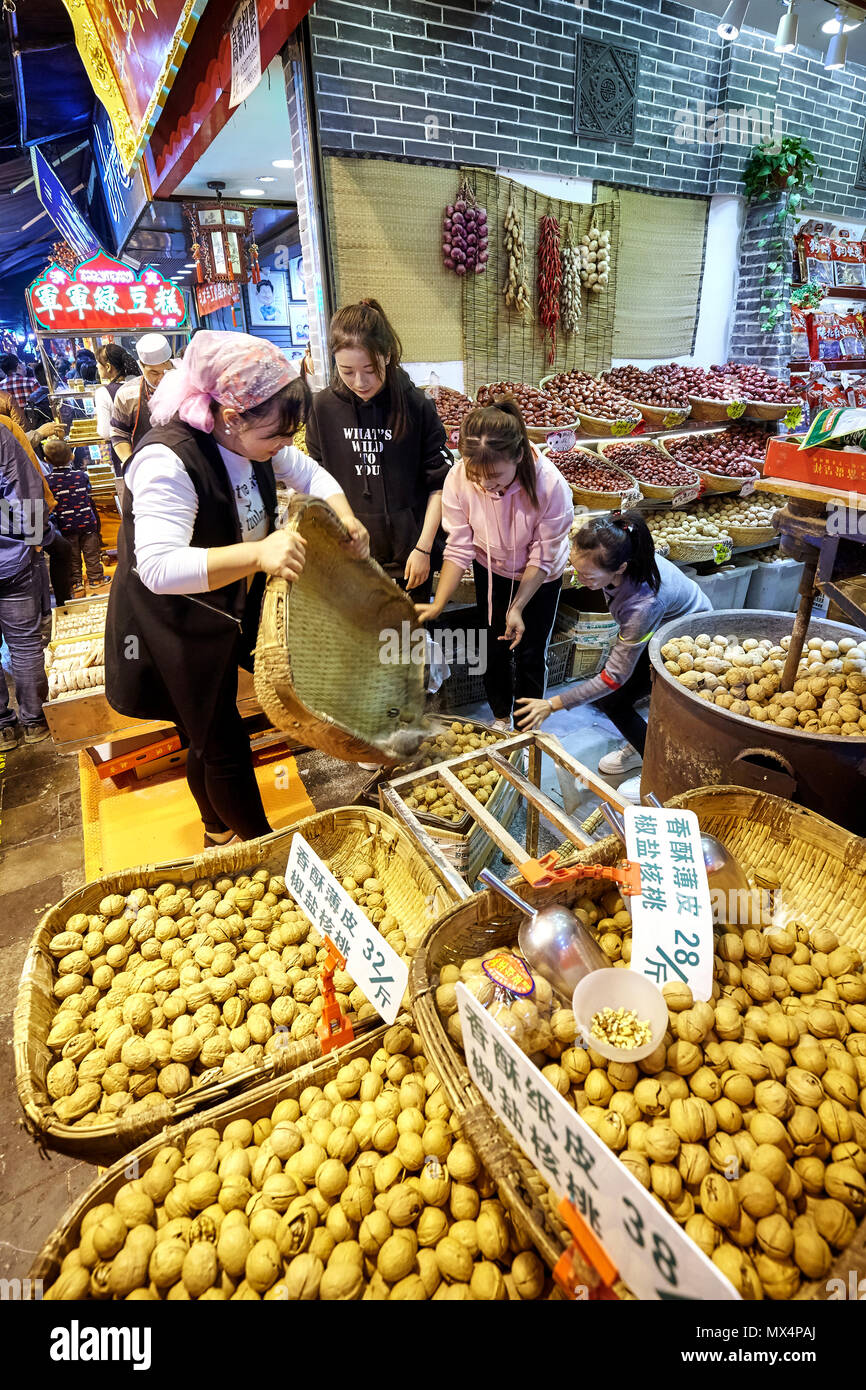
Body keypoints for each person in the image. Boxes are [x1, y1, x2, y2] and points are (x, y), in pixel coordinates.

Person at [105, 330, 370, 847]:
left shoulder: (256, 441)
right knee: (216, 734)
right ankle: (262, 848)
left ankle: (217, 831)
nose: (283, 446)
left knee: (206, 733)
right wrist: (258, 551)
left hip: (224, 603)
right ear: (230, 417)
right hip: (172, 622)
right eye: (275, 435)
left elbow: (310, 473)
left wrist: (346, 517)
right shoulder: (169, 460)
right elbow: (157, 567)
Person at [515, 510, 712, 777]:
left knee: (614, 698)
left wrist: (553, 704)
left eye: (588, 576)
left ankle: (654, 768)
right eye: (576, 568)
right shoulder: (626, 549)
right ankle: (644, 742)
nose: (579, 579)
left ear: (621, 568)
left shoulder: (643, 605)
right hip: (660, 625)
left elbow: (614, 677)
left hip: (684, 639)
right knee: (612, 695)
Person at [416, 398, 573, 731]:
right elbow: (458, 546)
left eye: (495, 476)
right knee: (493, 643)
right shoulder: (459, 478)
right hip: (492, 567)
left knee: (531, 652)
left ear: (517, 456)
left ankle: (528, 727)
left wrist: (517, 607)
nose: (486, 485)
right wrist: (439, 603)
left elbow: (543, 555)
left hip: (539, 578)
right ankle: (501, 717)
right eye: (477, 475)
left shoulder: (550, 485)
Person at [304, 298, 450, 606]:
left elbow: (438, 484)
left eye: (369, 370)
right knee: (359, 649)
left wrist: (424, 549)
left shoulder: (417, 406)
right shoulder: (323, 408)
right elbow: (315, 480)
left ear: (386, 355)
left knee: (407, 645)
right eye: (347, 371)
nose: (360, 382)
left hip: (411, 558)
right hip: (350, 558)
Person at [0, 422, 50, 747]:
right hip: (11, 559)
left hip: (11, 557)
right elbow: (23, 487)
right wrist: (35, 538)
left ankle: (3, 728)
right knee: (25, 644)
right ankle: (34, 722)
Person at [43, 438, 107, 596]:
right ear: (72, 457)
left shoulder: (47, 481)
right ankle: (96, 579)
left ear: (46, 460)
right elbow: (88, 490)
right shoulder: (81, 475)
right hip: (87, 522)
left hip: (65, 525)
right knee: (92, 551)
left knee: (72, 555)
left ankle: (77, 582)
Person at [110, 333, 177, 467]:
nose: (161, 379)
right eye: (154, 373)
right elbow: (119, 433)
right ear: (141, 366)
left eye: (166, 371)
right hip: (146, 467)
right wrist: (132, 466)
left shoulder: (187, 386)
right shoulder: (126, 394)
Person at [95, 344, 140, 476]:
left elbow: (105, 432)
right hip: (145, 445)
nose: (97, 366)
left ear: (108, 366)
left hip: (122, 451)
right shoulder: (139, 384)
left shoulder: (103, 393)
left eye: (98, 362)